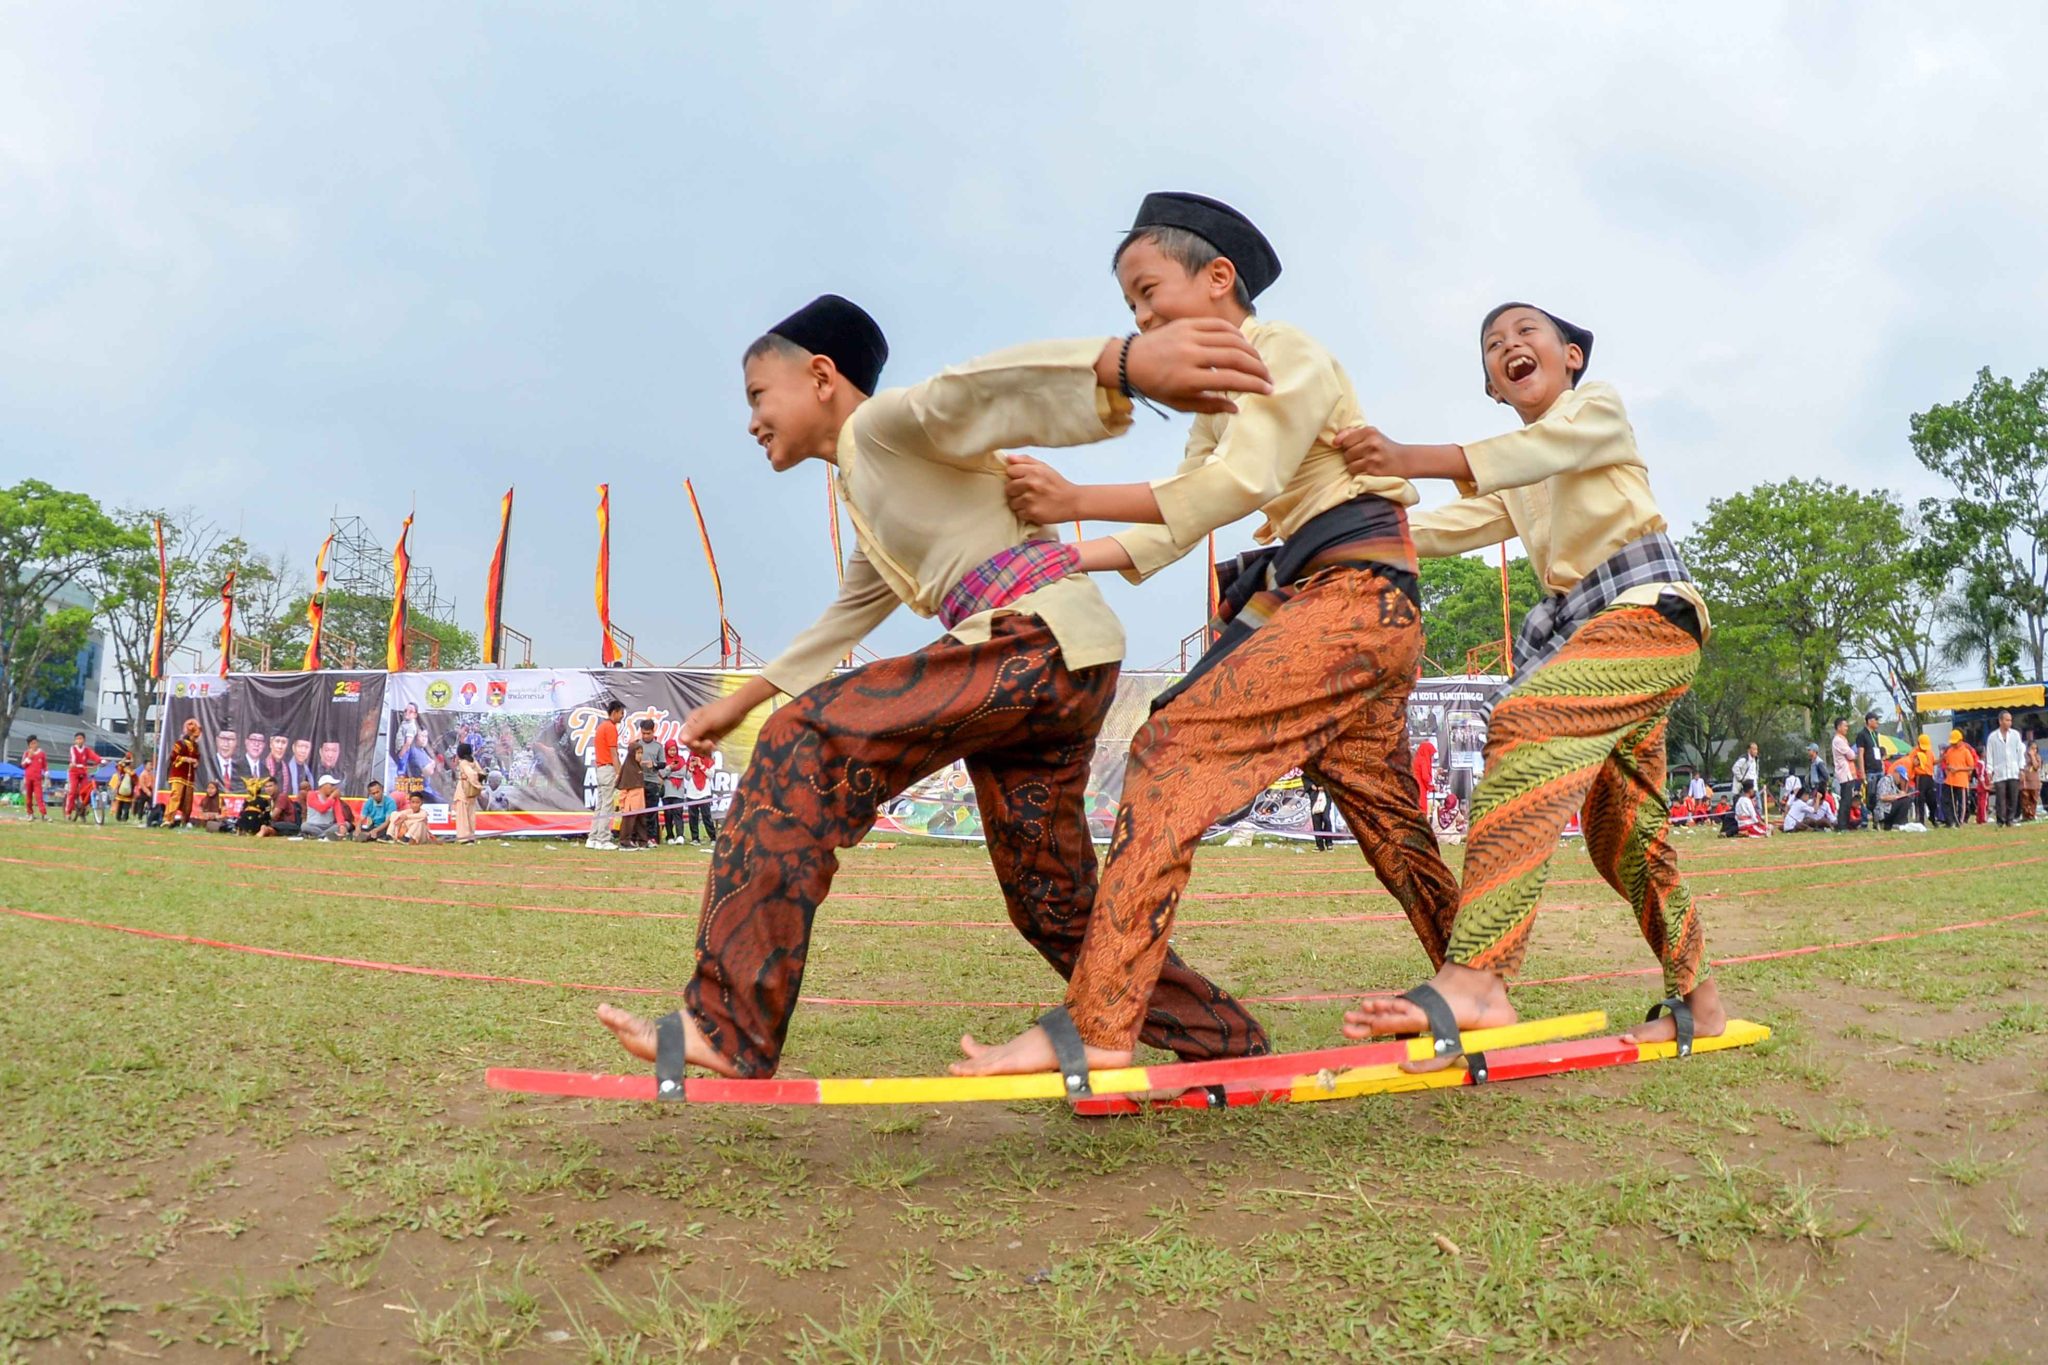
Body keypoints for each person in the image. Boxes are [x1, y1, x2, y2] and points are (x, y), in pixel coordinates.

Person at [595, 288, 1274, 1084]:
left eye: (756, 395)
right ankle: (1220, 1037)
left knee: (800, 743)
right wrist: (741, 700)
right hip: (1063, 666)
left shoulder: (882, 430)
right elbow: (846, 613)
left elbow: (974, 392)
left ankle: (727, 1023)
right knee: (1049, 900)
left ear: (821, 376)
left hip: (1033, 643)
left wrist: (1118, 364)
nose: (751, 421)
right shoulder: (871, 496)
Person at [952, 193, 1461, 1080]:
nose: (1143, 320)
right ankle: (1474, 977)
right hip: (1344, 603)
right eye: (1130, 310)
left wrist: (1074, 500)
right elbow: (1172, 525)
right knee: (1383, 809)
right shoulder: (1211, 405)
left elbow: (1239, 482)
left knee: (1170, 746)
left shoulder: (1283, 352)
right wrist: (1053, 562)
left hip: (1352, 598)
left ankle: (1101, 1022)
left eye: (1150, 294)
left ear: (1218, 279)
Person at [1329, 301, 1726, 1062]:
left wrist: (1404, 455)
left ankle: (1478, 978)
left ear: (1571, 356)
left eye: (1525, 333)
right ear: (1492, 386)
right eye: (1492, 345)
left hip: (1648, 617)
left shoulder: (1596, 411)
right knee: (1624, 837)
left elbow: (1536, 454)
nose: (1509, 345)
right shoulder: (1514, 465)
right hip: (1590, 639)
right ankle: (1701, 1002)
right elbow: (1444, 526)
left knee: (1526, 719)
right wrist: (1339, 536)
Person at [586, 699, 624, 850]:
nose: (622, 717)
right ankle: (603, 839)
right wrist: (619, 773)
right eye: (621, 713)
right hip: (608, 769)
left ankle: (593, 838)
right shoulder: (610, 728)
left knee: (600, 805)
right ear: (614, 712)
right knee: (607, 805)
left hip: (600, 769)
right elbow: (614, 753)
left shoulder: (602, 727)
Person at [1986, 710, 2024, 828]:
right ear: (2000, 721)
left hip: (2013, 770)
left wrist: (2021, 768)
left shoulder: (2015, 735)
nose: (2010, 722)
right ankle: (2000, 820)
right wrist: (1989, 770)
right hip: (1999, 771)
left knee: (2013, 796)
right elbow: (1989, 754)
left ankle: (2010, 819)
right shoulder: (1993, 737)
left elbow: (2020, 753)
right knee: (2000, 798)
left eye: (2010, 720)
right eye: (2007, 720)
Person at [633, 719, 667, 846]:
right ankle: (638, 837)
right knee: (638, 811)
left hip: (652, 782)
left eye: (648, 733)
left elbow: (663, 764)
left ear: (653, 731)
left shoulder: (658, 746)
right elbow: (630, 762)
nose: (645, 736)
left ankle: (652, 838)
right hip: (638, 781)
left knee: (652, 811)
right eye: (643, 733)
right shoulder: (637, 744)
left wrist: (654, 764)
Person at [615, 726, 650, 849]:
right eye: (638, 753)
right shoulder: (628, 769)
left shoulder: (638, 768)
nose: (640, 756)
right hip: (631, 804)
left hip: (640, 803)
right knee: (628, 824)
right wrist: (622, 804)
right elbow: (624, 789)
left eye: (641, 753)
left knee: (642, 823)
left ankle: (643, 841)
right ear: (631, 754)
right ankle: (624, 841)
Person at [164, 718, 202, 827]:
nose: (196, 739)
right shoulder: (179, 743)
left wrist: (196, 762)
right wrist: (185, 759)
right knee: (176, 796)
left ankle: (184, 821)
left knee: (188, 799)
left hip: (189, 776)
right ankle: (168, 818)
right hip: (178, 773)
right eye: (195, 736)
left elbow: (197, 758)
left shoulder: (196, 746)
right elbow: (173, 757)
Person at [1855, 711, 1886, 831]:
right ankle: (1865, 821)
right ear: (1869, 721)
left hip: (1879, 769)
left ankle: (1877, 820)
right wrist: (1862, 771)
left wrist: (1882, 764)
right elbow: (1860, 754)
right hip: (1869, 770)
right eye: (1875, 719)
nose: (1877, 722)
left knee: (1879, 796)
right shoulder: (1862, 735)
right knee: (1869, 796)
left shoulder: (1875, 735)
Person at [300, 775, 356, 840]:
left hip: (328, 825)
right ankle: (326, 835)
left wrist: (341, 825)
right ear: (324, 785)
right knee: (304, 826)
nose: (333, 788)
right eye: (331, 785)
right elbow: (321, 809)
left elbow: (339, 814)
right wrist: (332, 797)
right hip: (313, 825)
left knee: (346, 824)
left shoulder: (334, 798)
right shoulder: (312, 794)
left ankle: (321, 836)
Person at [1941, 728, 1976, 828]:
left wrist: (1958, 769)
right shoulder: (1949, 751)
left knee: (1962, 804)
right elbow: (1945, 763)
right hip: (1949, 781)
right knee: (1948, 802)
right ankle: (1950, 821)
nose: (1954, 744)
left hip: (1961, 781)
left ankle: (1960, 821)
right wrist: (1948, 769)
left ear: (1960, 741)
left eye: (1955, 742)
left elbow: (1971, 767)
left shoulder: (1966, 751)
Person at [450, 742, 484, 844]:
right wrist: (477, 785)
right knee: (470, 815)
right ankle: (471, 837)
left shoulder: (463, 763)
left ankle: (464, 838)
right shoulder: (473, 761)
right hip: (471, 791)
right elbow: (481, 773)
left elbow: (472, 774)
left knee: (462, 815)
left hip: (463, 790)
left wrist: (477, 784)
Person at [681, 749, 718, 844]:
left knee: (707, 816)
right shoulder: (690, 759)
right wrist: (691, 767)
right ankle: (695, 838)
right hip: (691, 793)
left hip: (704, 793)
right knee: (693, 817)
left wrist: (701, 765)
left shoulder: (709, 760)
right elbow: (688, 777)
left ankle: (713, 838)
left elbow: (711, 775)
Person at [661, 734, 691, 845]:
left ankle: (680, 835)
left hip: (678, 792)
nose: (672, 752)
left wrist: (670, 774)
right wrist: (669, 768)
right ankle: (669, 836)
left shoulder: (681, 760)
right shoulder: (663, 760)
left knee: (678, 813)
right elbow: (662, 773)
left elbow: (683, 773)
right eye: (670, 750)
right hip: (667, 793)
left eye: (674, 750)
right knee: (668, 815)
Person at [1831, 717, 1861, 828]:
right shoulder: (1838, 740)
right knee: (1845, 800)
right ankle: (1842, 825)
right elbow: (1851, 754)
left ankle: (1845, 823)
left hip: (1848, 773)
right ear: (1839, 727)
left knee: (1847, 799)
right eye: (1845, 726)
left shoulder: (1843, 739)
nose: (1847, 728)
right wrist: (1853, 754)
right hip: (1844, 774)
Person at [1909, 733, 1939, 825]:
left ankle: (1932, 816)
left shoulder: (1929, 752)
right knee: (1920, 799)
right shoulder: (1914, 752)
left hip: (1929, 777)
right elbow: (1911, 764)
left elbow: (1933, 762)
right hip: (1920, 777)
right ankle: (1921, 821)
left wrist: (1942, 759)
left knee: (1933, 799)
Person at [64, 733, 95, 819]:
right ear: (75, 741)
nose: (79, 741)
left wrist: (101, 760)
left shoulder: (87, 750)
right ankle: (68, 812)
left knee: (85, 791)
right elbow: (73, 757)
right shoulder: (73, 748)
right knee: (72, 791)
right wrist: (73, 763)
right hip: (74, 772)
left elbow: (93, 756)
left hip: (83, 772)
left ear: (84, 740)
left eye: (80, 739)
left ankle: (83, 810)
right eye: (77, 739)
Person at [2022, 739, 2042, 823]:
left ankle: (2032, 815)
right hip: (2025, 782)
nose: (2034, 750)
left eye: (2035, 748)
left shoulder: (2037, 757)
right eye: (2032, 748)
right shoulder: (2023, 756)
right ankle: (2026, 816)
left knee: (2034, 800)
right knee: (2025, 800)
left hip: (2034, 782)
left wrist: (2033, 756)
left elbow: (2036, 766)